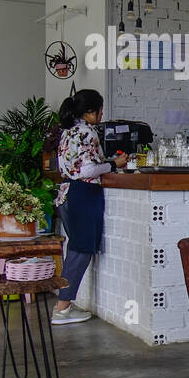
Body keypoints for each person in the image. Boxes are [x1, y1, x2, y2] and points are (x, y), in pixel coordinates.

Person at [53, 89, 127, 325]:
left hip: (67, 193)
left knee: (76, 250)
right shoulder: (87, 132)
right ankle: (62, 308)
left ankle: (64, 305)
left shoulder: (68, 131)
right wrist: (113, 164)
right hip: (83, 195)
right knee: (80, 251)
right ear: (90, 111)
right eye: (100, 109)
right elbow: (87, 171)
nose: (102, 113)